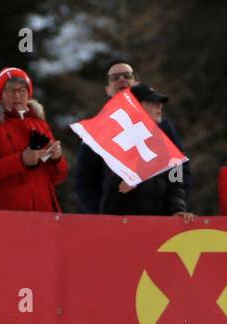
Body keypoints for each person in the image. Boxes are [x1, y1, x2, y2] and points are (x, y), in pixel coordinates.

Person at [73, 59, 190, 213]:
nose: (121, 80)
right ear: (107, 89)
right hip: (118, 220)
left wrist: (176, 209)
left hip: (160, 218)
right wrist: (100, 216)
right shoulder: (99, 129)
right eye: (115, 78)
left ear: (136, 84)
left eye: (127, 76)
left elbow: (178, 169)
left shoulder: (162, 125)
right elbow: (85, 181)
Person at [0, 67, 67, 211]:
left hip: (45, 212)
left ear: (29, 94)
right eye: (11, 91)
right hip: (8, 216)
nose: (17, 96)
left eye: (22, 91)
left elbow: (58, 177)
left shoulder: (39, 123)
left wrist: (56, 159)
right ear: (0, 95)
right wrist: (20, 160)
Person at [99, 84, 193, 221]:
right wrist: (123, 181)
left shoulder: (169, 143)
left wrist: (178, 210)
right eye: (152, 102)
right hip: (123, 227)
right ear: (136, 106)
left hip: (159, 227)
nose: (159, 106)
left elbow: (176, 182)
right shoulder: (118, 138)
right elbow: (112, 180)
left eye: (160, 103)